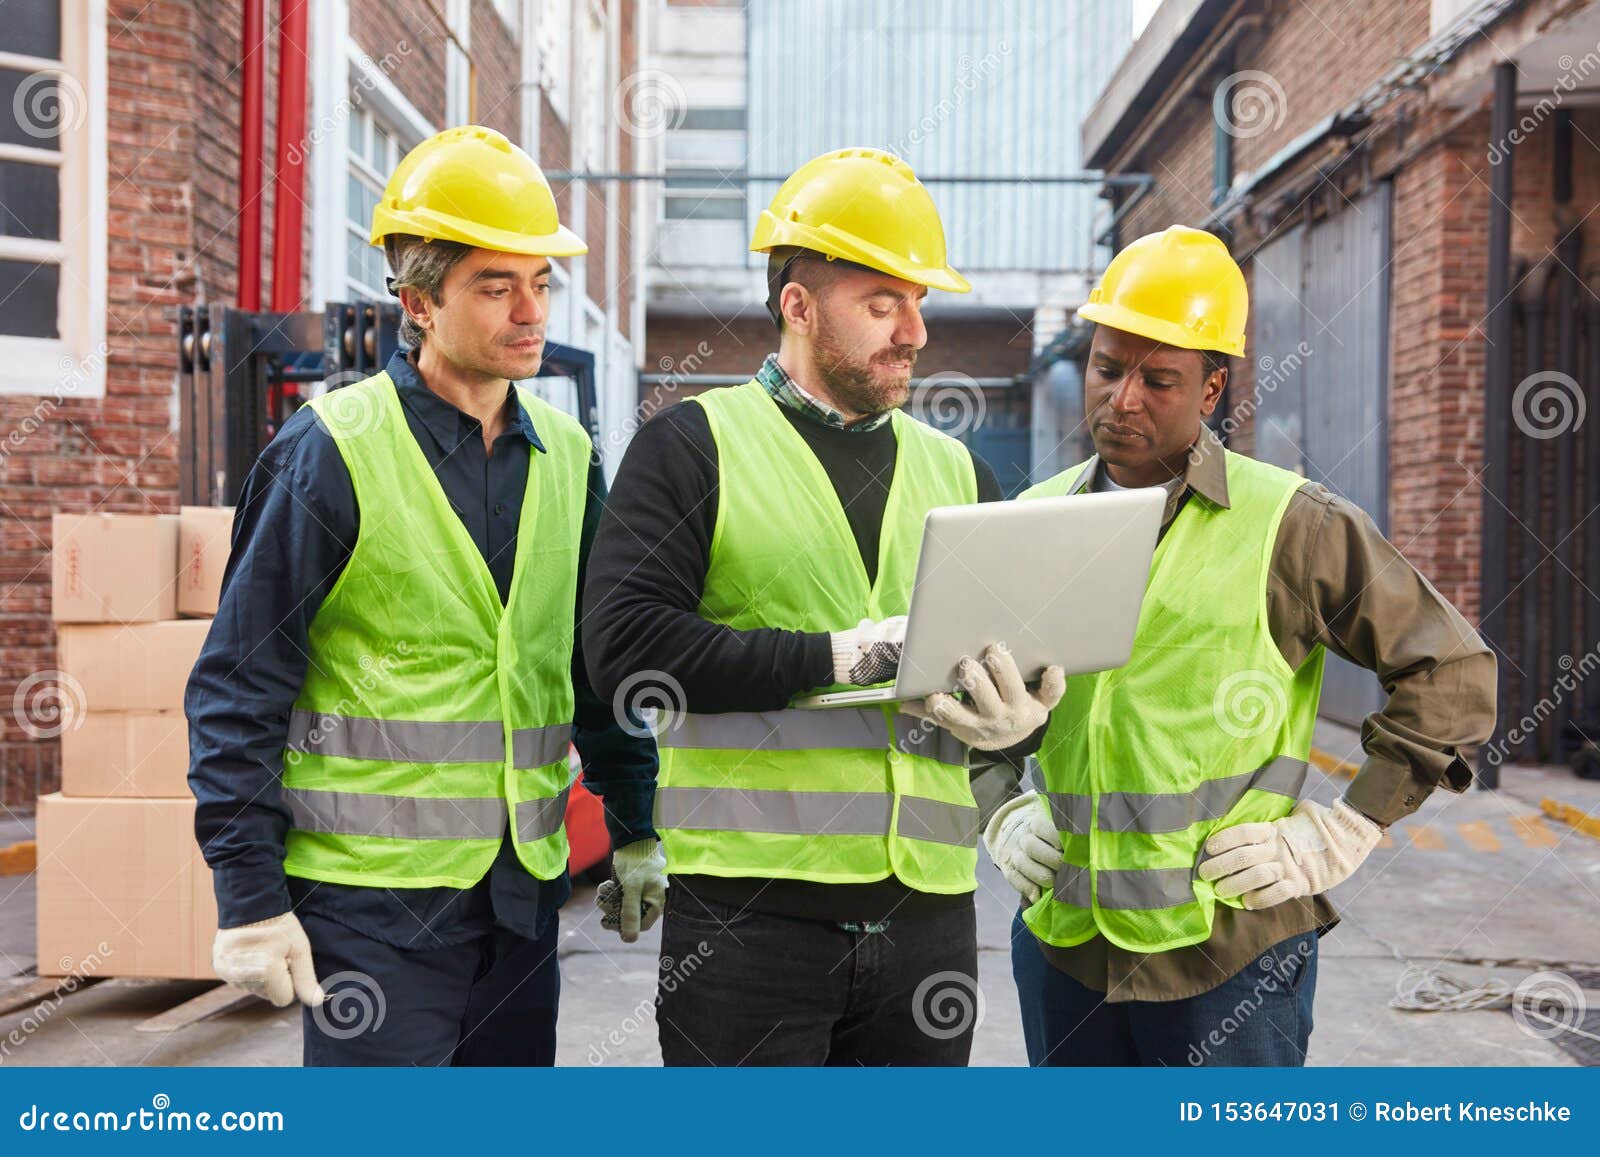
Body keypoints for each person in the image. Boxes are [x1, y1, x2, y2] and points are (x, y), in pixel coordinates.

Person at [187, 125, 661, 1066]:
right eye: (496, 286)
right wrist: (248, 896)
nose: (531, 312)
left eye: (541, 283)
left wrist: (637, 822)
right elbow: (239, 684)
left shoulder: (568, 458)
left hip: (520, 900)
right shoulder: (331, 451)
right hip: (372, 911)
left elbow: (590, 662)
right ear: (418, 302)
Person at [582, 147, 1060, 1066]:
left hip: (927, 918)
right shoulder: (692, 447)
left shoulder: (962, 473)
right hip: (749, 923)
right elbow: (623, 647)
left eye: (920, 303)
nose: (914, 330)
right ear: (798, 306)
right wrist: (841, 660)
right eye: (883, 304)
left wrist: (1021, 724)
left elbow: (1017, 666)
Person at [983, 224, 1497, 1066]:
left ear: (1213, 388)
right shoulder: (1034, 519)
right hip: (1067, 946)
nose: (1124, 398)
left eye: (1160, 379)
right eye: (1109, 369)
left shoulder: (1293, 524)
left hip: (1229, 954)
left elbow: (1452, 670)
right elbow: (958, 685)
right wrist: (998, 801)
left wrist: (1346, 829)